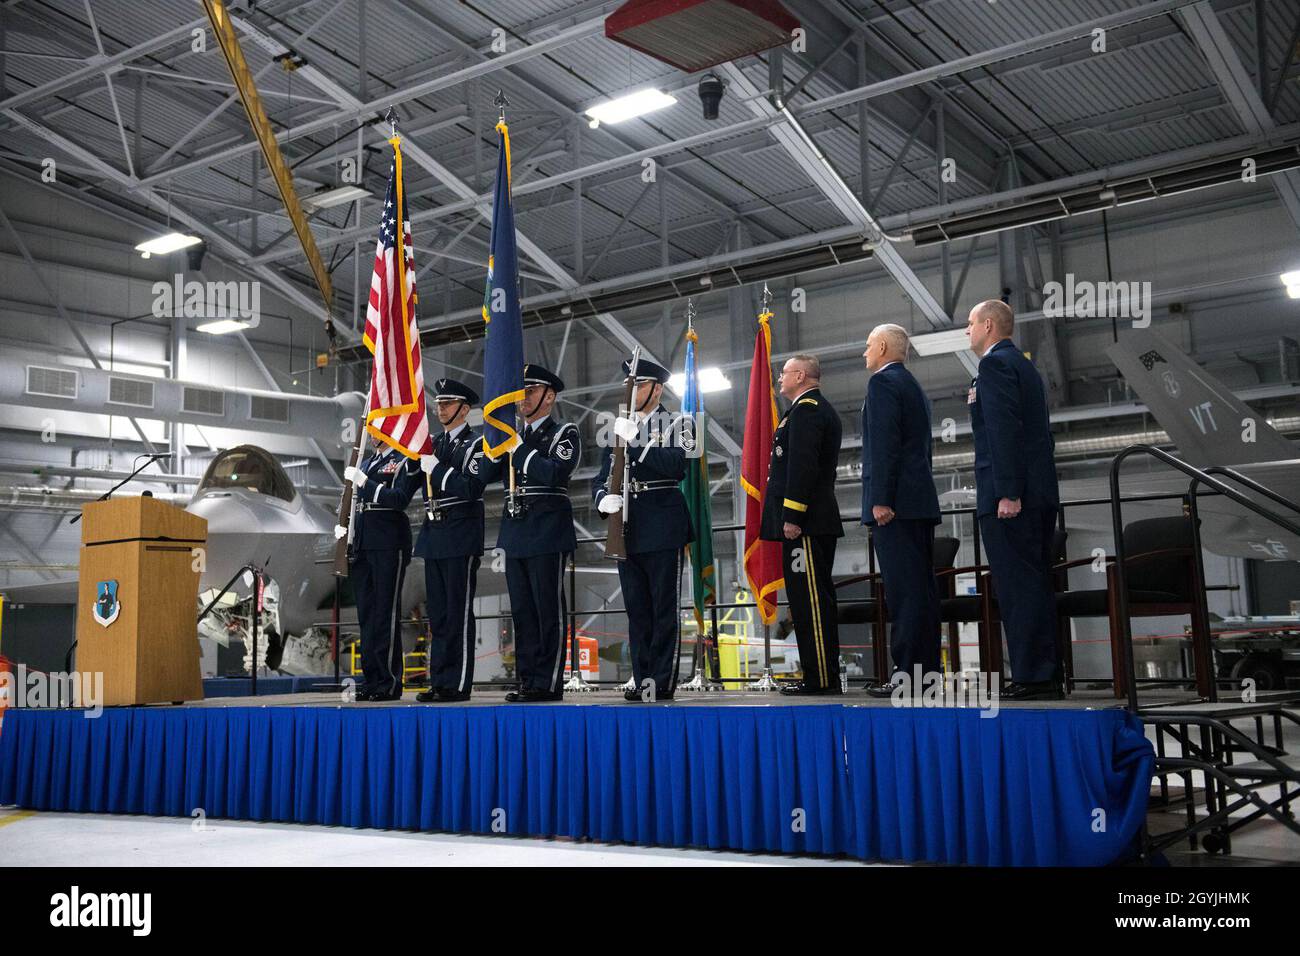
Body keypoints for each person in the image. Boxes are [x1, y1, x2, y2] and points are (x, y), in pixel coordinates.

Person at [965, 299, 1063, 701]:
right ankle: (1042, 672)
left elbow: (1004, 432)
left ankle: (1033, 675)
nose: (967, 331)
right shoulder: (1023, 364)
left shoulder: (995, 365)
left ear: (989, 325)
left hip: (1012, 495)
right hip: (1036, 489)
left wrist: (1008, 491)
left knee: (1018, 586)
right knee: (1033, 583)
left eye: (970, 324)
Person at [592, 358, 693, 702]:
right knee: (637, 609)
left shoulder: (681, 422)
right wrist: (601, 498)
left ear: (657, 389)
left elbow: (679, 466)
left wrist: (636, 442)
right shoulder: (619, 426)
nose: (632, 391)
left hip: (663, 524)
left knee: (664, 608)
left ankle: (660, 681)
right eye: (630, 385)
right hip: (628, 526)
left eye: (639, 385)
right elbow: (601, 474)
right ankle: (641, 676)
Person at [480, 364, 580, 702]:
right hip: (516, 530)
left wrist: (518, 447)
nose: (523, 398)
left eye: (532, 391)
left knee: (546, 609)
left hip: (548, 530)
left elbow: (552, 473)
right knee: (522, 611)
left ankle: (548, 682)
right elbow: (483, 474)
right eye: (521, 391)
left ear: (549, 396)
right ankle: (527, 679)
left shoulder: (564, 432)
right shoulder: (514, 437)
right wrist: (494, 438)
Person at [860, 324, 943, 697]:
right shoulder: (913, 386)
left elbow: (884, 444)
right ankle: (926, 675)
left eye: (867, 346)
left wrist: (880, 498)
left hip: (895, 506)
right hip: (918, 502)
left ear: (881, 346)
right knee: (921, 592)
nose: (864, 353)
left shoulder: (883, 384)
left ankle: (908, 676)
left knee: (904, 594)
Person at [760, 354, 843, 695]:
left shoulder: (808, 410)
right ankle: (815, 673)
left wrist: (792, 516)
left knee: (811, 602)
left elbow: (803, 467)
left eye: (784, 373)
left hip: (806, 523)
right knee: (804, 601)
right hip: (807, 522)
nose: (779, 378)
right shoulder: (803, 410)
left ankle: (821, 678)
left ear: (800, 375)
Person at [415, 379, 487, 703]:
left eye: (447, 403)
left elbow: (471, 487)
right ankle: (440, 679)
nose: (440, 408)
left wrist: (439, 471)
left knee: (458, 613)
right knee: (439, 616)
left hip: (460, 534)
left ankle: (457, 683)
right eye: (439, 403)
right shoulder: (434, 444)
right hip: (435, 535)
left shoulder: (476, 444)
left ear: (464, 409)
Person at [339, 443, 421, 701]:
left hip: (388, 541)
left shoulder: (404, 459)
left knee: (386, 613)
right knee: (367, 616)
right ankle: (373, 678)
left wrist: (368, 484)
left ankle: (389, 681)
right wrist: (346, 531)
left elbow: (400, 499)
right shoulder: (368, 462)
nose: (374, 431)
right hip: (364, 542)